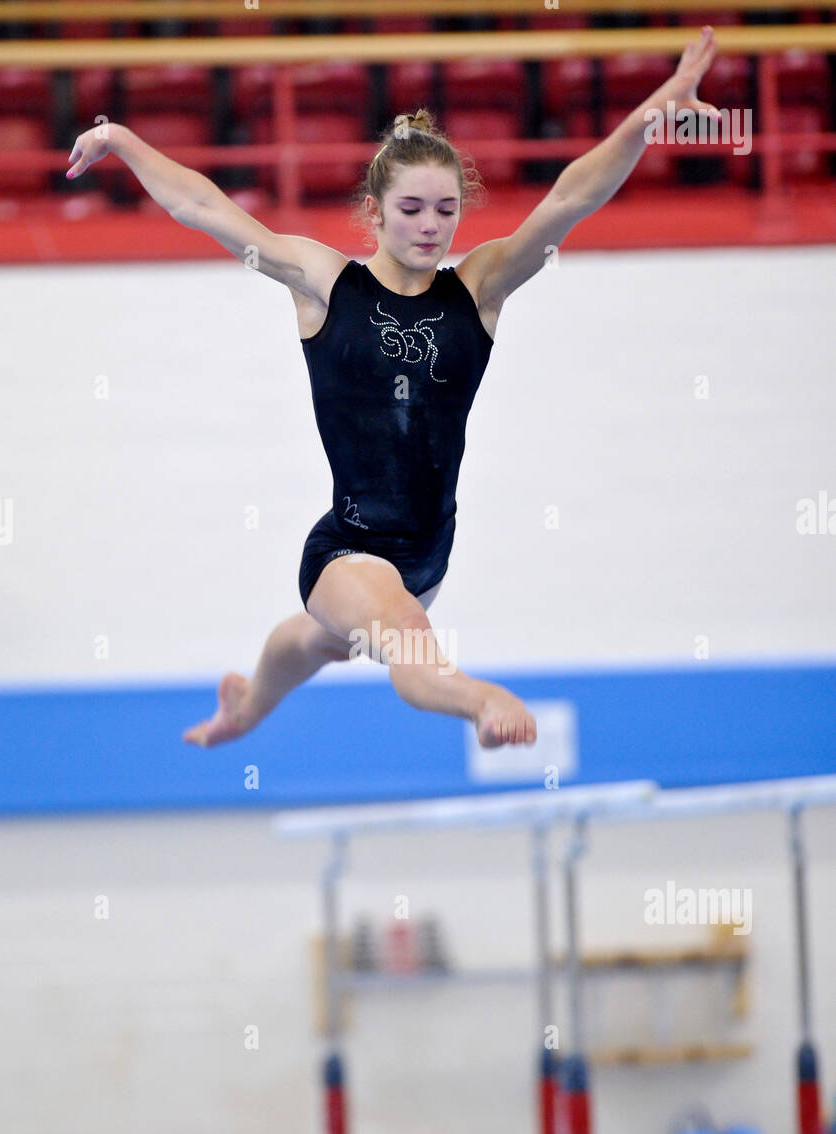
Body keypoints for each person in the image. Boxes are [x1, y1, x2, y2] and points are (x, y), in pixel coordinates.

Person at [66, 27, 718, 750]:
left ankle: (245, 706)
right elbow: (208, 209)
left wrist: (652, 112)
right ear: (374, 213)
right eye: (411, 210)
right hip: (347, 547)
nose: (431, 226)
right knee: (406, 637)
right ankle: (477, 700)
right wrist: (124, 139)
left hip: (429, 550)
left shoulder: (478, 290)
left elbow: (570, 197)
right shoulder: (324, 285)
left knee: (318, 642)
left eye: (446, 210)